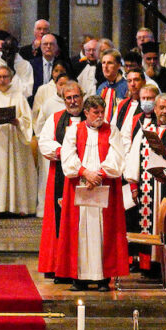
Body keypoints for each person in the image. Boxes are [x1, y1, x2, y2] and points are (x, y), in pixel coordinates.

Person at [59, 94, 132, 288]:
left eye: (102, 112)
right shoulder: (74, 131)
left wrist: (97, 175)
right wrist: (84, 173)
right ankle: (79, 278)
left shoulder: (112, 130)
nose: (100, 116)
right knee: (80, 231)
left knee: (103, 232)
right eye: (96, 112)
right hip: (80, 185)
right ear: (86, 113)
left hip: (103, 186)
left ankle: (102, 277)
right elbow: (67, 157)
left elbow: (117, 157)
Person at [0, 60, 40, 215]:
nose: (2, 80)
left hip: (14, 142)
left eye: (5, 77)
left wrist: (17, 122)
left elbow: (27, 120)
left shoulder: (19, 97)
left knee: (14, 173)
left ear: (11, 79)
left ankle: (16, 207)